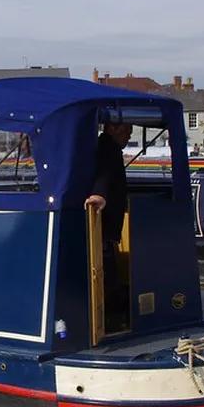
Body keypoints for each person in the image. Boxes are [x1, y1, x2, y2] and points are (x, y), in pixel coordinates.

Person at [85, 121, 133, 329]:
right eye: (126, 131)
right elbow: (104, 174)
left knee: (108, 270)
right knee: (106, 273)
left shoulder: (104, 146)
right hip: (103, 225)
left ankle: (114, 313)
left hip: (106, 226)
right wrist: (99, 194)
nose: (129, 136)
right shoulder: (108, 148)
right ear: (113, 128)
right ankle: (113, 320)